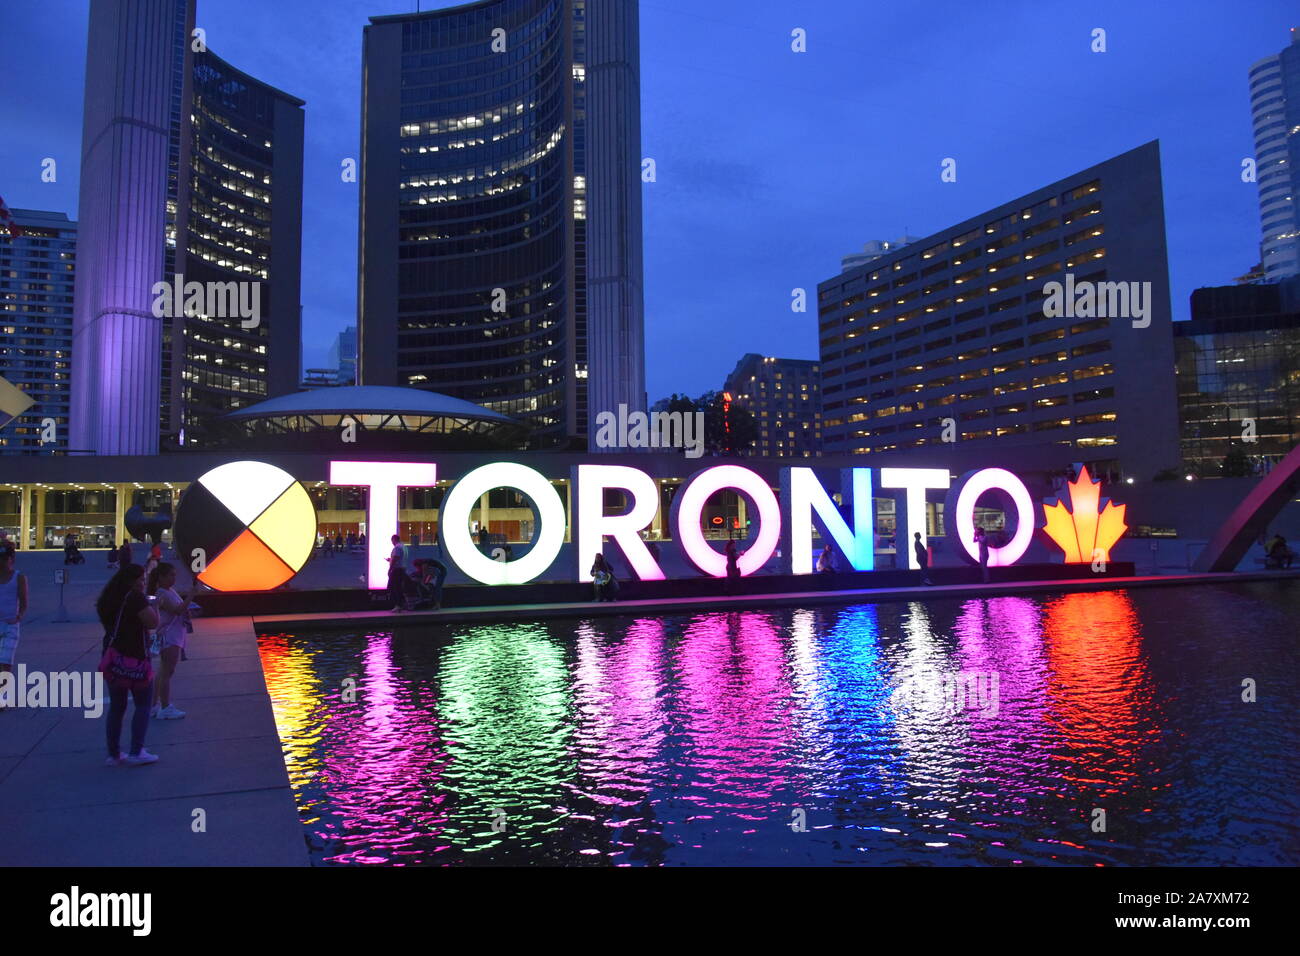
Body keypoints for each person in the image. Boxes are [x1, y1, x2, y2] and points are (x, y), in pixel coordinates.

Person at [95, 564, 160, 766]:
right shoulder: (135, 598)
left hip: (113, 656)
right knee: (143, 703)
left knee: (117, 706)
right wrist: (155, 605)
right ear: (132, 581)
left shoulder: (108, 599)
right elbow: (152, 622)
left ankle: (114, 754)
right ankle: (136, 750)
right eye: (141, 579)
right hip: (135, 656)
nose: (143, 583)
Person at [147, 562, 190, 719]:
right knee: (167, 672)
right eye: (171, 575)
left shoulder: (167, 591)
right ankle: (165, 707)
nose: (174, 578)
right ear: (162, 577)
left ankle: (154, 705)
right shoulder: (162, 594)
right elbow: (177, 610)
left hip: (174, 634)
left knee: (163, 671)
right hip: (170, 635)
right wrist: (191, 595)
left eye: (174, 575)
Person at [0, 545, 29, 712]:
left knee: (5, 661)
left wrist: (18, 617)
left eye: (5, 558)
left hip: (10, 625)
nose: (2, 562)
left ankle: (3, 696)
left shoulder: (19, 578)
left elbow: (24, 602)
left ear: (11, 559)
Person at [386, 534, 407, 612]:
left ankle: (398, 605)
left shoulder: (397, 548)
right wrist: (390, 559)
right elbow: (399, 558)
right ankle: (401, 604)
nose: (392, 543)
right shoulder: (404, 547)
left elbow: (395, 559)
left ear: (394, 540)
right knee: (399, 587)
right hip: (403, 569)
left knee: (394, 587)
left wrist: (390, 569)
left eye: (392, 541)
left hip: (397, 570)